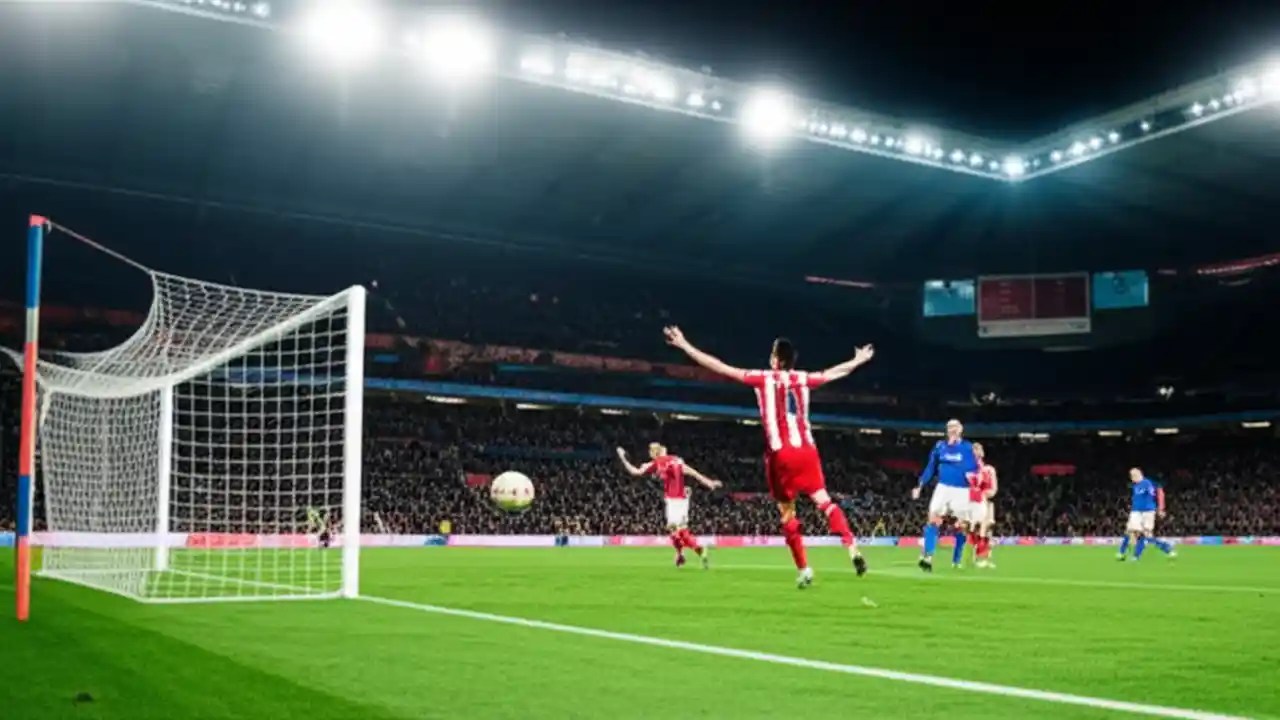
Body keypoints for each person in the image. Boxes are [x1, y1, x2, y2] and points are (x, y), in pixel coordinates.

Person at [663, 326, 874, 588]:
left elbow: (720, 367)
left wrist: (685, 345)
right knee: (825, 501)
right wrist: (858, 359)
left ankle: (805, 569)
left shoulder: (763, 378)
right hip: (808, 450)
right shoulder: (804, 378)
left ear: (776, 359)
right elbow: (834, 372)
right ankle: (852, 547)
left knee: (787, 513)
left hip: (781, 455)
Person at [617, 443, 723, 568]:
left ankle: (689, 553)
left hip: (673, 501)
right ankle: (688, 554)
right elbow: (692, 472)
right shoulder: (677, 460)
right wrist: (708, 482)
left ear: (654, 453)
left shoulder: (656, 463)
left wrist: (623, 458)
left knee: (674, 531)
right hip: (683, 500)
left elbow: (635, 472)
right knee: (682, 531)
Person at [913, 419, 979, 572]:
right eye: (950, 427)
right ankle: (928, 557)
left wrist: (975, 485)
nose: (952, 430)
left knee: (961, 526)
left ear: (961, 429)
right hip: (943, 488)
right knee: (933, 519)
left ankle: (956, 561)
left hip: (962, 490)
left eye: (955, 427)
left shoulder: (968, 448)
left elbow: (976, 469)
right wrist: (920, 485)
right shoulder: (940, 447)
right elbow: (930, 467)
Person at [1119, 468, 1177, 561]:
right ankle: (1123, 553)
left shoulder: (1147, 483)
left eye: (1133, 475)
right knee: (1130, 531)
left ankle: (1167, 548)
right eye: (1131, 476)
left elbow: (1158, 493)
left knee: (1146, 535)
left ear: (1139, 474)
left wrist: (1160, 509)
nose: (1131, 478)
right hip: (1136, 511)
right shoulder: (1135, 486)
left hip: (1147, 512)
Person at [968, 442, 998, 568]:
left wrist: (983, 495)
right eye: (974, 449)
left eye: (978, 449)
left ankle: (985, 558)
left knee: (988, 526)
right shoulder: (967, 471)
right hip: (971, 502)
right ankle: (972, 557)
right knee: (973, 528)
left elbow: (994, 489)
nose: (976, 451)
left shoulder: (989, 470)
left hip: (985, 501)